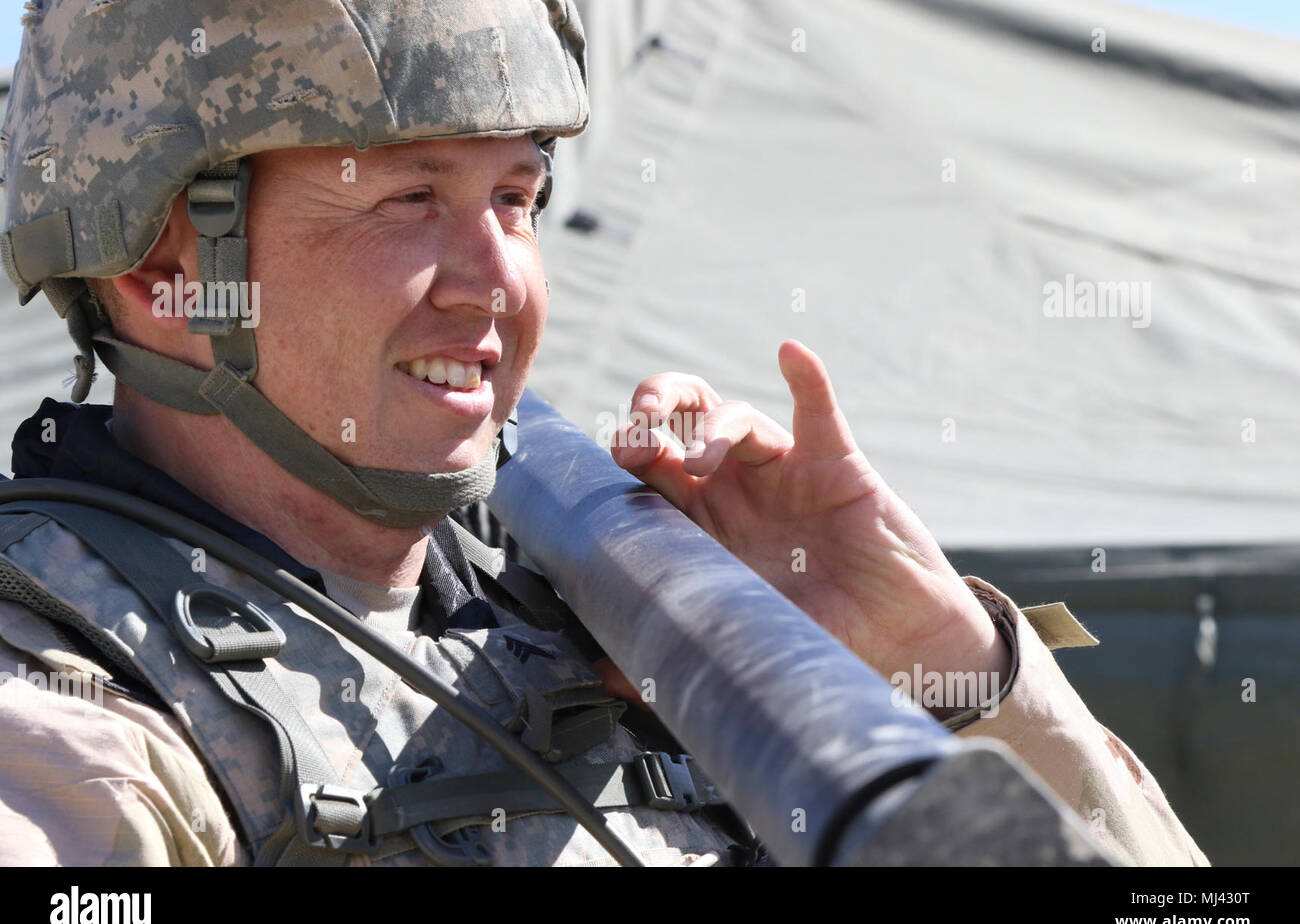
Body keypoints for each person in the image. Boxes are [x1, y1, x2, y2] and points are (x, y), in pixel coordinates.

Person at [0, 0, 1205, 866]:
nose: (494, 281)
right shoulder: (72, 713)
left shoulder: (619, 611)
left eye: (515, 200)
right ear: (171, 272)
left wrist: (926, 661)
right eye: (410, 198)